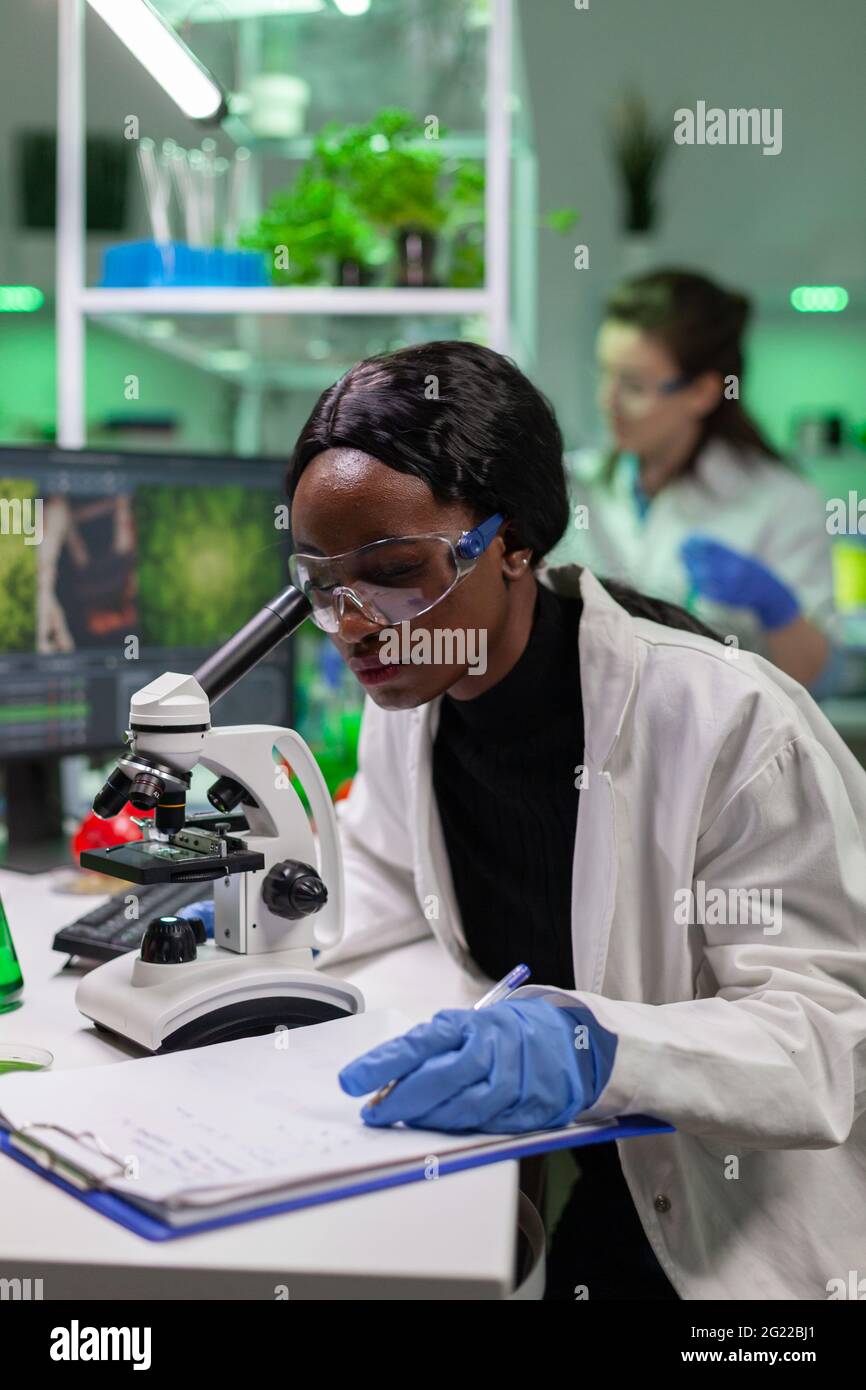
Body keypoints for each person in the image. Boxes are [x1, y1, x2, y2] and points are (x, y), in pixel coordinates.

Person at [184, 340, 866, 1301]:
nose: (355, 625)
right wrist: (229, 934)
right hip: (600, 1185)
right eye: (321, 582)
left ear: (513, 544)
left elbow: (823, 1042)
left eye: (394, 571)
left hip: (753, 1230)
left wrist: (594, 1046)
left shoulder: (728, 725)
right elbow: (377, 894)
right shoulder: (417, 709)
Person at [546, 269, 841, 693]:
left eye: (633, 385)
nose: (607, 400)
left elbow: (819, 677)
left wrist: (777, 609)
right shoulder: (574, 483)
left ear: (702, 391)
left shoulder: (781, 499)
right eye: (604, 374)